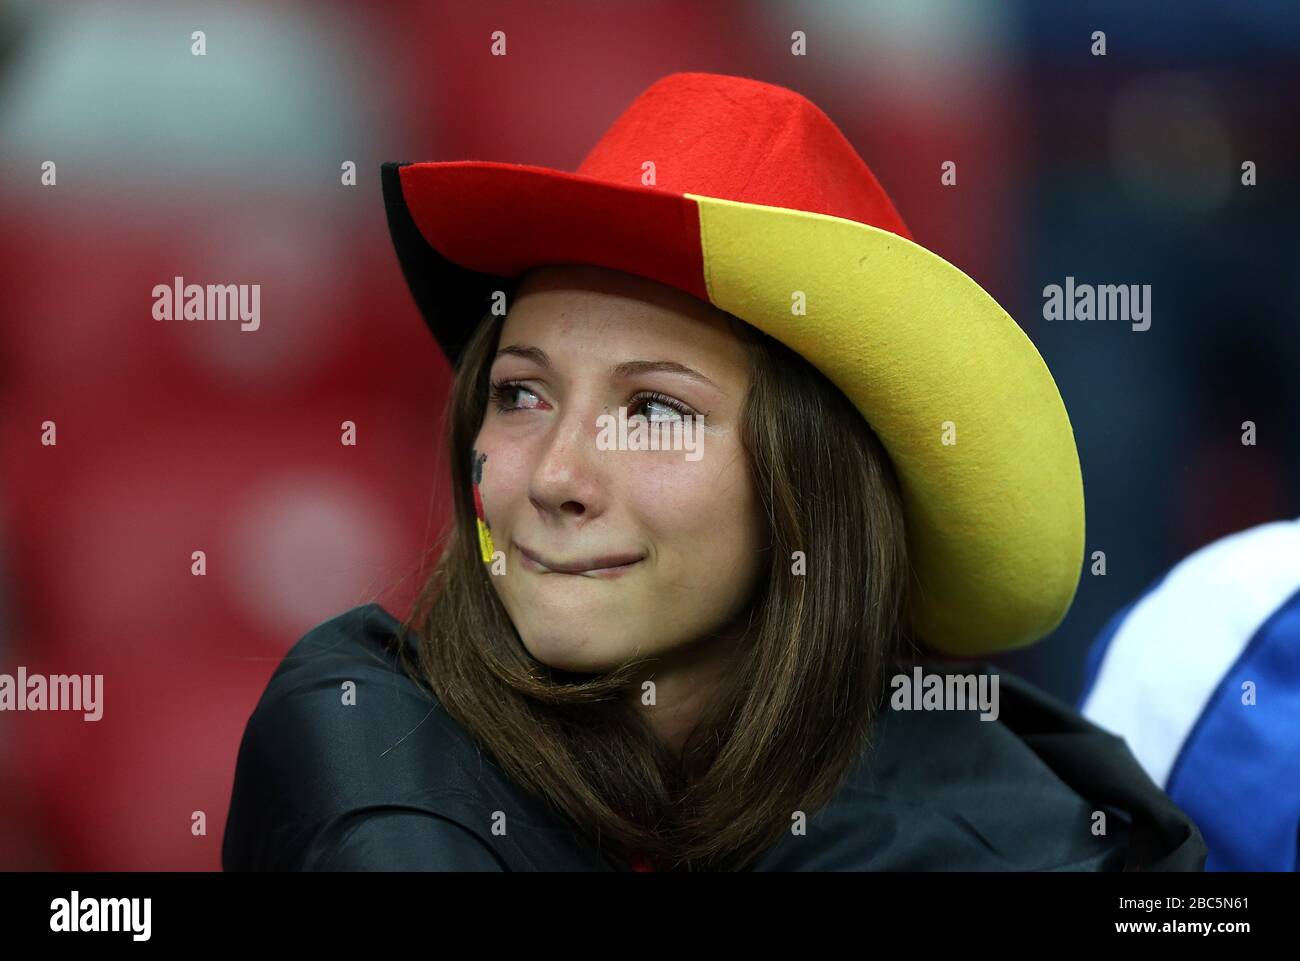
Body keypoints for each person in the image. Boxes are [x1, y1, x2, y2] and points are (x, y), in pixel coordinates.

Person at [222, 71, 1205, 872]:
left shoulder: (1016, 846)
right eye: (521, 394)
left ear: (812, 495)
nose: (556, 475)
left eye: (654, 410)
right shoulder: (367, 744)